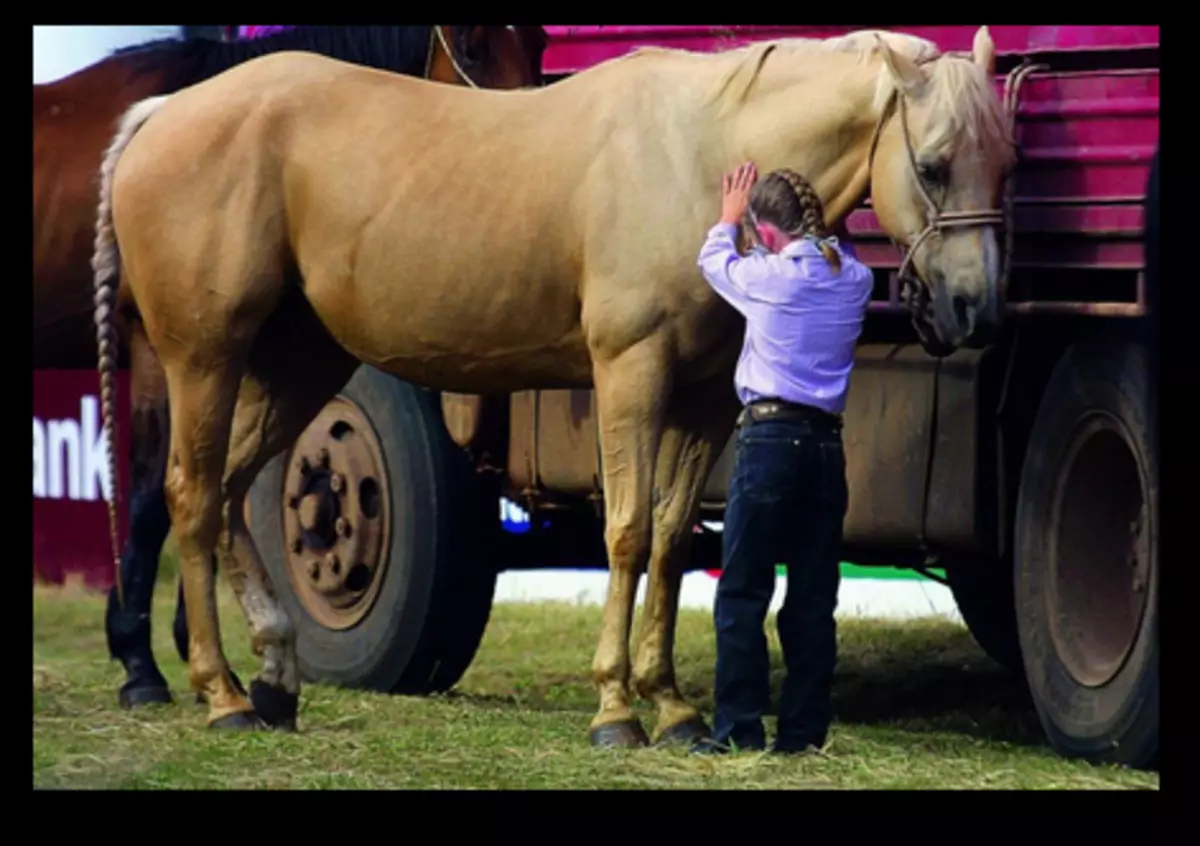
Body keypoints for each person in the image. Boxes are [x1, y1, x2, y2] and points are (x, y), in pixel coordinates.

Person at [691, 162, 874, 756]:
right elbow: (835, 252)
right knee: (814, 597)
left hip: (769, 442)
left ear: (765, 232)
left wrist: (726, 219)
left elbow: (712, 263)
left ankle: (739, 731)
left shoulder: (767, 277)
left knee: (744, 591)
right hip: (826, 447)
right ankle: (801, 735)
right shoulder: (857, 280)